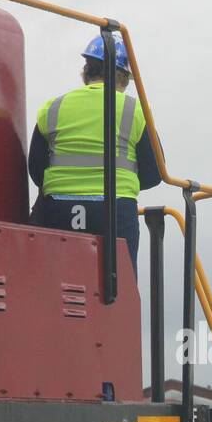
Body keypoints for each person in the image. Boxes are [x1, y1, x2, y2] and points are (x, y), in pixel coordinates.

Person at [27, 35, 161, 275]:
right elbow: (154, 173)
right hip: (114, 212)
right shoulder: (135, 109)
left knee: (55, 282)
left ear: (86, 72)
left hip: (58, 210)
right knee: (119, 289)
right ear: (124, 78)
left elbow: (36, 168)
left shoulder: (53, 107)